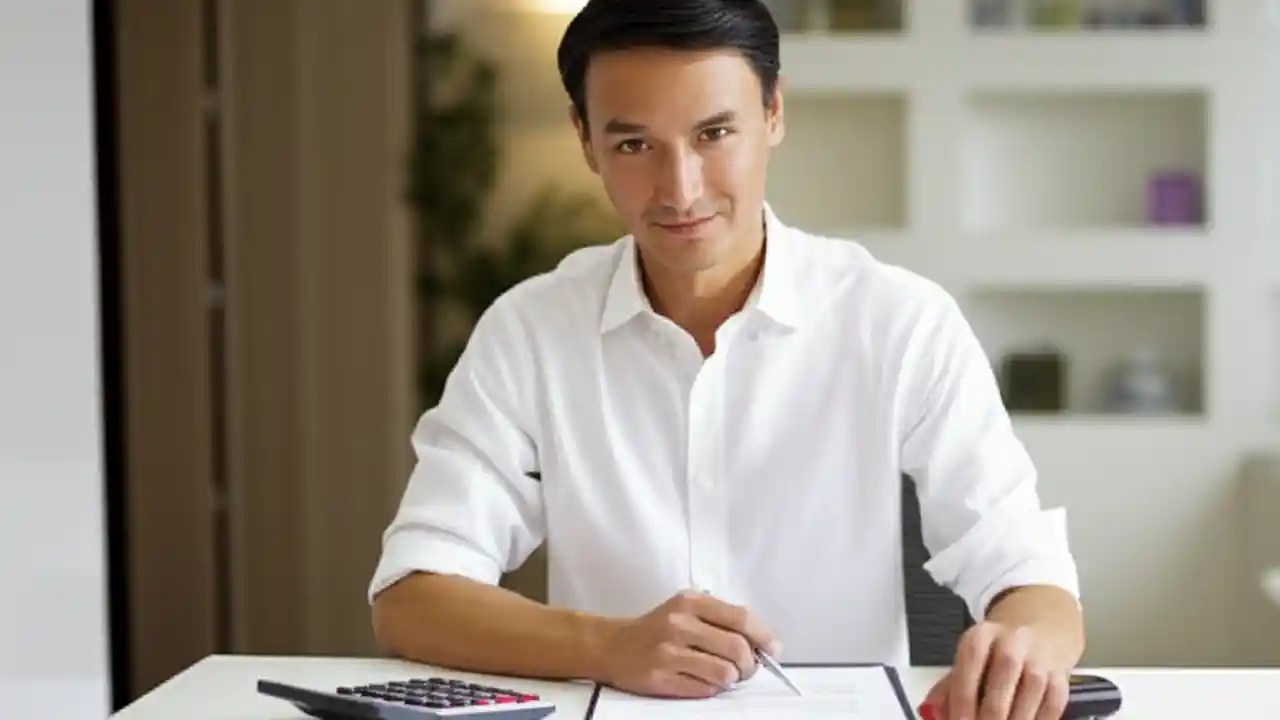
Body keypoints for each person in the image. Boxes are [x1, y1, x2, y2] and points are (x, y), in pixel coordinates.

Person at [370, 2, 1084, 719]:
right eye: (633, 146)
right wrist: (609, 645)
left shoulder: (900, 322)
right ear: (585, 141)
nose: (681, 190)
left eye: (714, 134)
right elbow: (412, 598)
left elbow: (1030, 575)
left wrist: (1025, 647)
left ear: (773, 113)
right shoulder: (530, 330)